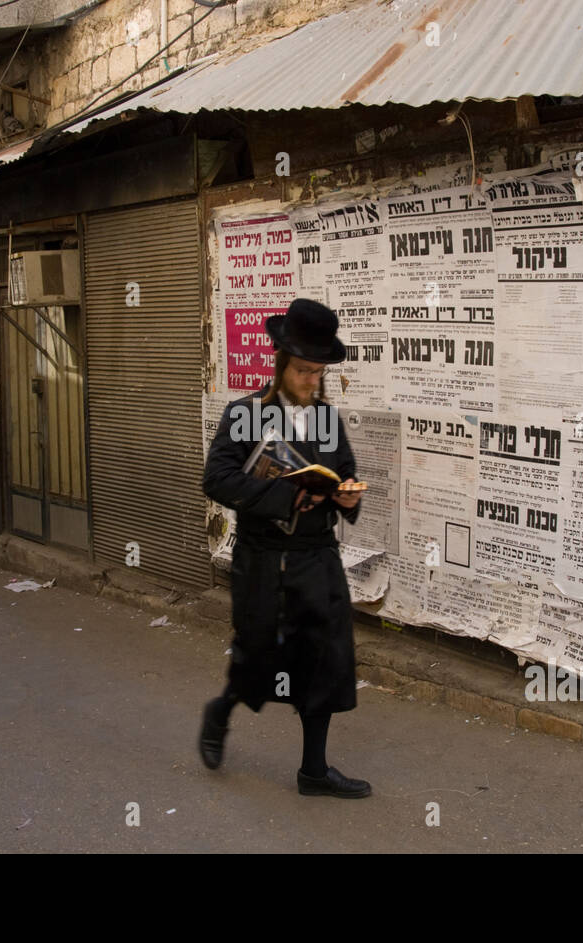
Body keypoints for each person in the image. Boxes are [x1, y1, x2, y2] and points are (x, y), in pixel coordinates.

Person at [200, 297, 370, 798]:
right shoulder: (244, 414)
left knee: (322, 660)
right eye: (301, 371)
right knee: (257, 658)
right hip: (262, 562)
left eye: (317, 372)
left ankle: (313, 772)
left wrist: (346, 493)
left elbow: (345, 473)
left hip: (316, 561)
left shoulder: (327, 419)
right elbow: (217, 479)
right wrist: (285, 494)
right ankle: (220, 711)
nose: (310, 381)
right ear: (280, 363)